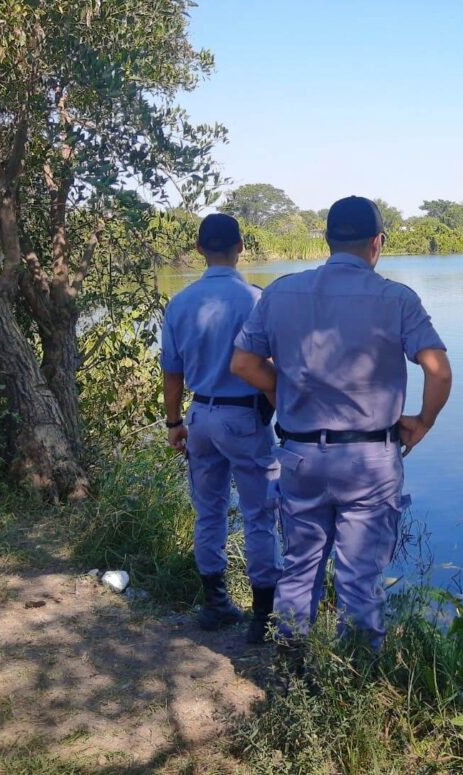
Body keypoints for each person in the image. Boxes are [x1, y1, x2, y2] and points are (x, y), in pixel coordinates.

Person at [230, 195, 452, 651]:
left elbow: (244, 364)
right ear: (378, 242)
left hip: (299, 456)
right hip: (370, 459)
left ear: (327, 241)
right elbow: (438, 369)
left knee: (300, 566)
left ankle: (292, 670)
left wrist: (283, 393)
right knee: (359, 576)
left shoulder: (280, 292)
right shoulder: (397, 299)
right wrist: (423, 421)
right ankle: (359, 678)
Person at [160, 213, 281, 644]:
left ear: (198, 250)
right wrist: (282, 415)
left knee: (208, 511)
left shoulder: (179, 304)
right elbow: (271, 369)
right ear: (241, 246)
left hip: (200, 417)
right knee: (259, 515)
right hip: (244, 419)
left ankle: (215, 604)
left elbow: (172, 375)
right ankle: (262, 618)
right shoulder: (257, 300)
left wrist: (174, 422)